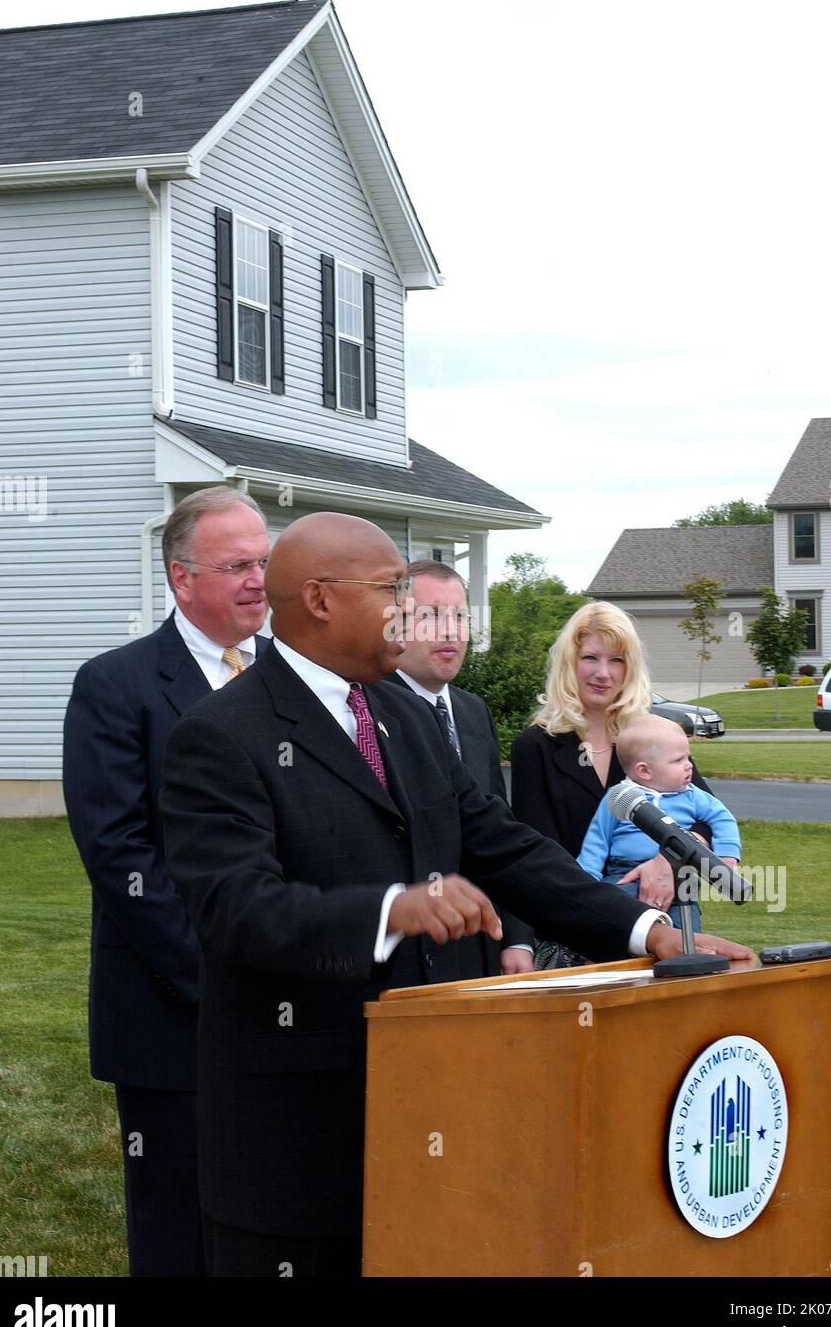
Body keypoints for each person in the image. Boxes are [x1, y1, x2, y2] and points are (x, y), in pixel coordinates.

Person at [158, 513, 753, 1277]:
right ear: (318, 599)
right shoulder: (220, 735)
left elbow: (502, 846)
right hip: (297, 1138)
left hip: (433, 1108)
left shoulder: (403, 716)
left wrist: (647, 933)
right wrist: (389, 911)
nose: (408, 611)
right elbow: (236, 910)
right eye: (390, 591)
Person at [62, 486, 272, 1276]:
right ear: (183, 580)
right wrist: (221, 975)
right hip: (171, 1017)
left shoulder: (288, 678)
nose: (259, 579)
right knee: (180, 1229)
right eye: (238, 565)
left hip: (289, 1011)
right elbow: (120, 856)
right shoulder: (116, 685)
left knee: (271, 1220)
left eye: (265, 561)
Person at [510, 601, 722, 968]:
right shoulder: (536, 746)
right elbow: (534, 854)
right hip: (576, 931)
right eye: (591, 658)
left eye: (617, 661)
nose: (603, 673)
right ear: (569, 663)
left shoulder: (651, 736)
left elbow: (708, 820)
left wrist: (669, 860)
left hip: (666, 923)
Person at [387, 558, 534, 974]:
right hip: (409, 959)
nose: (450, 630)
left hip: (486, 948)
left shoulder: (472, 712)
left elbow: (501, 832)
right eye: (430, 616)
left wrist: (518, 938)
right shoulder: (366, 713)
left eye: (459, 617)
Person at [576, 715, 742, 934]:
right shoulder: (619, 798)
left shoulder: (693, 796)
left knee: (685, 933)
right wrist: (587, 882)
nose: (688, 766)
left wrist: (727, 855)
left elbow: (722, 818)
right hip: (624, 872)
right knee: (607, 916)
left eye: (688, 758)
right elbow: (597, 841)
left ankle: (690, 958)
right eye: (678, 760)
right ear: (644, 771)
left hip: (682, 879)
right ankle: (596, 959)